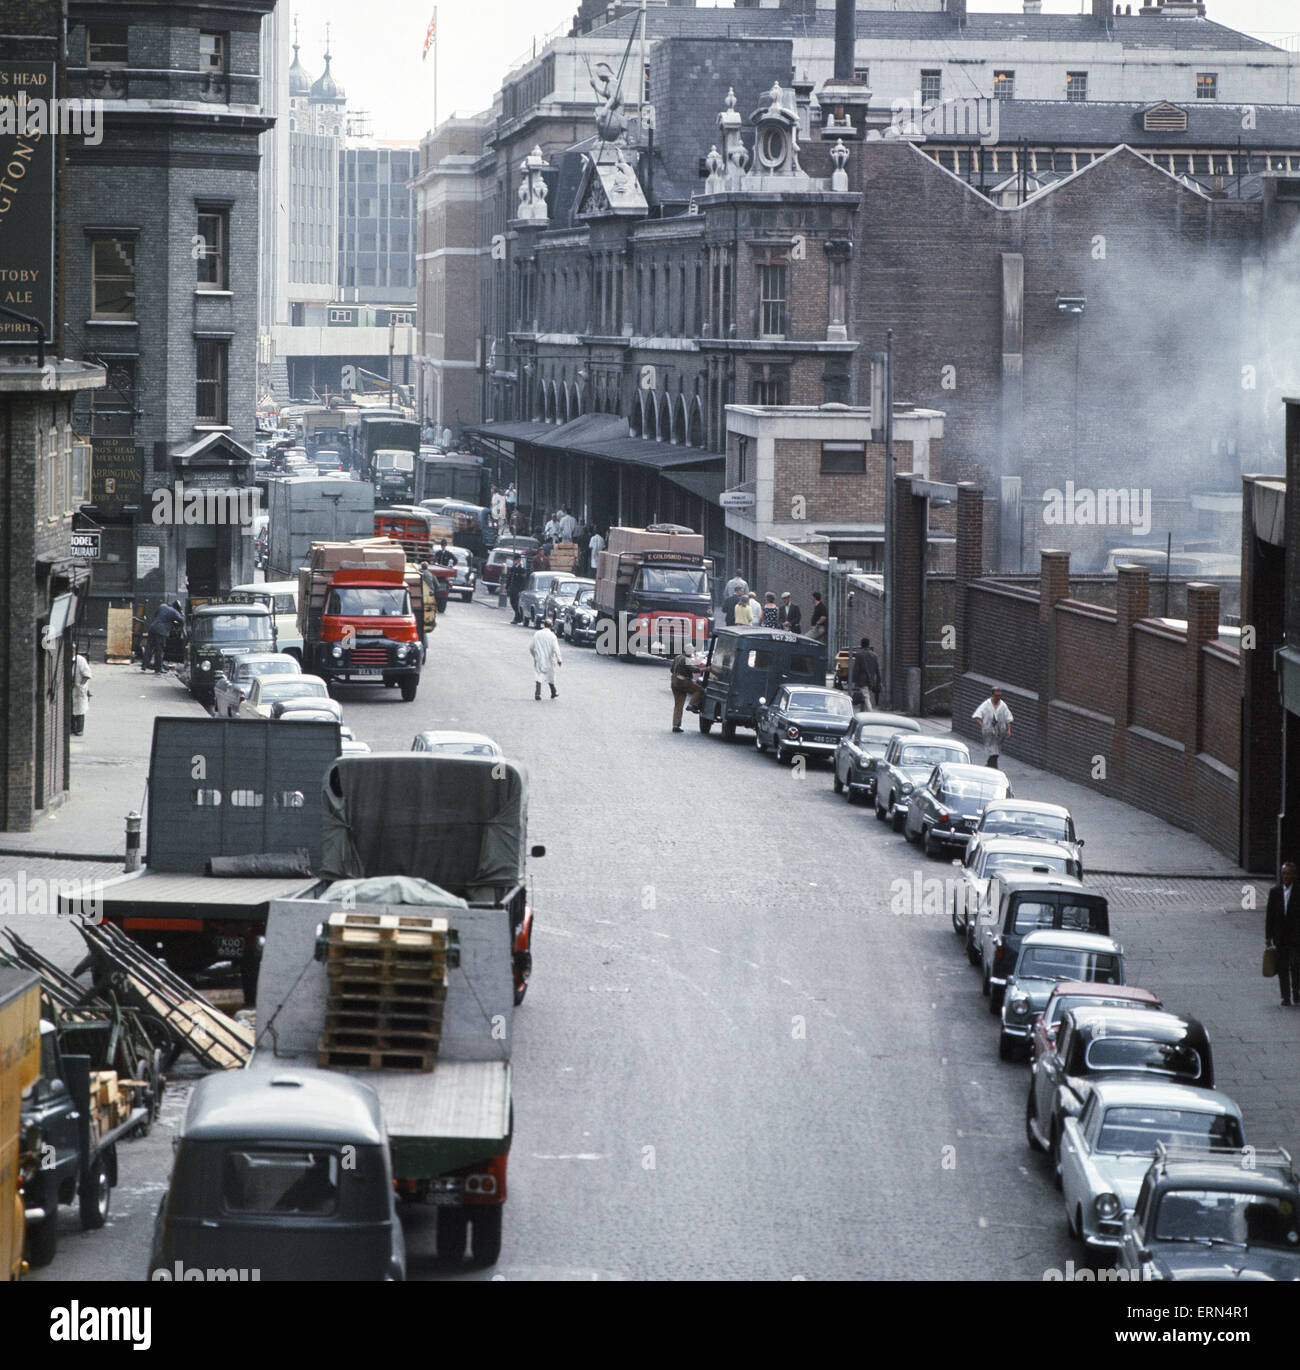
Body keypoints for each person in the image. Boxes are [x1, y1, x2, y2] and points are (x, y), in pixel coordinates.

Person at [1265, 861, 1300, 1006]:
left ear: (1294, 875)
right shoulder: (1275, 892)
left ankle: (1296, 992)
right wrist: (1268, 936)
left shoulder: (1298, 892)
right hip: (1280, 937)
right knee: (1282, 967)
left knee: (1296, 965)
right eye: (1283, 873)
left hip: (1296, 937)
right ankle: (1285, 997)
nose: (1285, 876)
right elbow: (1270, 915)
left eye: (1288, 874)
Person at [972, 687, 1013, 769]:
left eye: (999, 696)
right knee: (993, 750)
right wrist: (983, 726)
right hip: (989, 731)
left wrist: (1009, 730)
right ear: (992, 695)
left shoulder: (1003, 705)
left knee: (997, 750)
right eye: (996, 695)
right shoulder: (986, 704)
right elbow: (977, 715)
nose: (998, 697)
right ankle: (992, 765)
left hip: (1000, 731)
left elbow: (1008, 718)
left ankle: (991, 765)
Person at [143, 600, 184, 673]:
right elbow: (182, 620)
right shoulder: (174, 612)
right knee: (159, 650)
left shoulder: (162, 606)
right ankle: (158, 668)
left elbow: (156, 615)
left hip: (153, 628)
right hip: (161, 632)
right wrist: (181, 613)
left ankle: (144, 665)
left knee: (149, 647)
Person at [669, 647, 704, 733]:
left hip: (674, 681)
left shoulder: (677, 657)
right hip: (683, 681)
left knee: (678, 704)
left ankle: (675, 725)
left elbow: (671, 669)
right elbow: (694, 670)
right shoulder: (686, 659)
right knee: (699, 690)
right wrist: (705, 669)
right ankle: (691, 705)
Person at [530, 617, 562, 700]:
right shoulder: (552, 636)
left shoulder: (537, 634)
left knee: (538, 675)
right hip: (549, 659)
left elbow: (531, 647)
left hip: (539, 658)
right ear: (551, 626)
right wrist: (559, 659)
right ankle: (553, 692)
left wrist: (534, 656)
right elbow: (556, 649)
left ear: (544, 625)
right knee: (551, 676)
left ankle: (538, 693)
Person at [851, 637, 882, 710]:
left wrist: (854, 680)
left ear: (861, 644)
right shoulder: (874, 655)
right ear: (868, 644)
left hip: (862, 680)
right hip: (871, 680)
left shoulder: (859, 655)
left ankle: (870, 713)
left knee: (865, 697)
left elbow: (856, 669)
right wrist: (879, 680)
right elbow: (877, 669)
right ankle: (862, 713)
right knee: (864, 697)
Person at [71, 650, 92, 736]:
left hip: (79, 688)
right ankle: (72, 728)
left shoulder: (80, 660)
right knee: (71, 709)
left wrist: (81, 685)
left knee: (80, 709)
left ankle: (79, 729)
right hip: (71, 688)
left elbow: (87, 675)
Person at [505, 555, 528, 623]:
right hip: (512, 588)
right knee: (512, 602)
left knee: (516, 603)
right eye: (514, 560)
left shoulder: (522, 569)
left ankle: (517, 617)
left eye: (515, 560)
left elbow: (523, 581)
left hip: (518, 589)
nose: (514, 561)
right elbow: (510, 578)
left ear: (518, 560)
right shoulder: (513, 568)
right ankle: (518, 616)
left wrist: (520, 590)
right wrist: (506, 587)